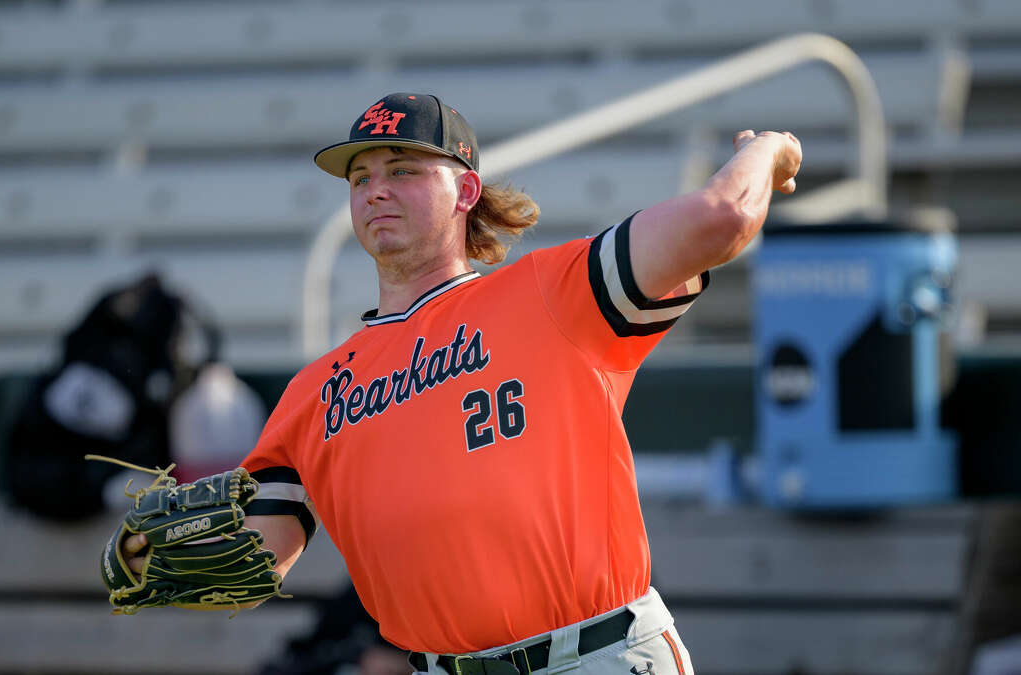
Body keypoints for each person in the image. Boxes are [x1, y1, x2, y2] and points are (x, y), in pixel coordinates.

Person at [121, 92, 801, 673]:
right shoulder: (316, 392)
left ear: (466, 191)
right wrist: (146, 562)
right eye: (360, 178)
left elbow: (723, 216)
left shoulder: (553, 294)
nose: (376, 189)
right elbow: (253, 562)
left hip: (596, 656)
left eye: (404, 169)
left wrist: (765, 150)